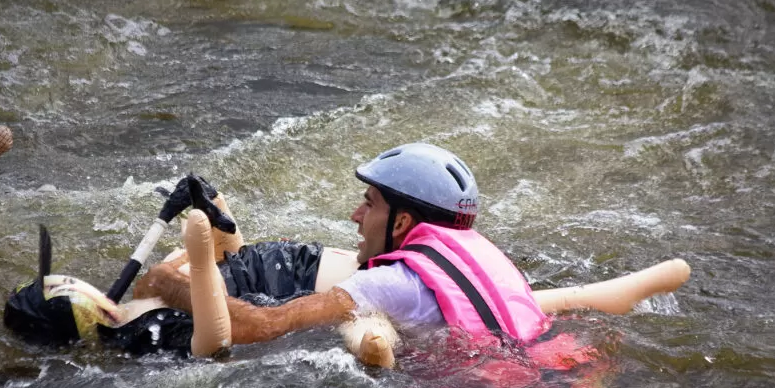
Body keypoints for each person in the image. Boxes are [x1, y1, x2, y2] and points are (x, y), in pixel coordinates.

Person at [135, 143, 556, 353]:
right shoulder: (489, 257)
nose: (356, 215)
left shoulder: (392, 283)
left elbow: (259, 326)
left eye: (369, 204)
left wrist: (168, 283)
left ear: (404, 222)